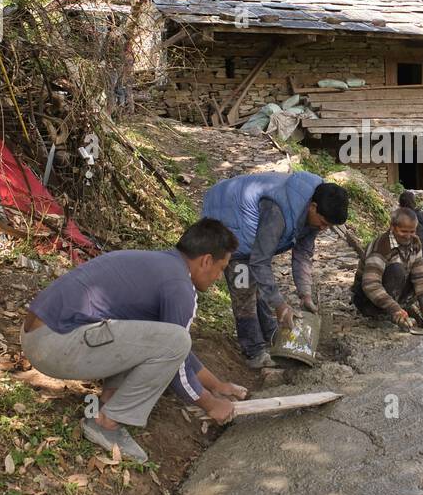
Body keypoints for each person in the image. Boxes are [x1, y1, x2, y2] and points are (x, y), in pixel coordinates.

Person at [21, 219, 242, 462]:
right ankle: (106, 424)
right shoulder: (179, 286)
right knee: (176, 340)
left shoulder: (160, 265)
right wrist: (211, 405)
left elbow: (169, 348)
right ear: (206, 260)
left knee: (165, 339)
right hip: (55, 344)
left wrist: (216, 385)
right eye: (222, 268)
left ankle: (109, 401)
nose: (219, 277)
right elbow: (176, 353)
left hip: (41, 334)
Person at [201, 171, 349, 368]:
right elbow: (259, 261)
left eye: (328, 226)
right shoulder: (277, 212)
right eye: (323, 223)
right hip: (230, 231)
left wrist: (305, 295)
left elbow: (302, 256)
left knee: (262, 290)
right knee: (244, 291)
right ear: (313, 207)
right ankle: (254, 352)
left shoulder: (315, 212)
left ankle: (272, 339)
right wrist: (280, 305)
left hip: (254, 241)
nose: (323, 229)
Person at [352, 207, 423, 330]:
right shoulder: (381, 247)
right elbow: (370, 285)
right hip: (367, 298)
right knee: (397, 269)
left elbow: (420, 275)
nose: (408, 236)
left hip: (394, 291)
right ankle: (380, 312)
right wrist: (393, 308)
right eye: (403, 231)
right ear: (392, 227)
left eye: (412, 231)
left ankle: (401, 308)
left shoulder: (415, 243)